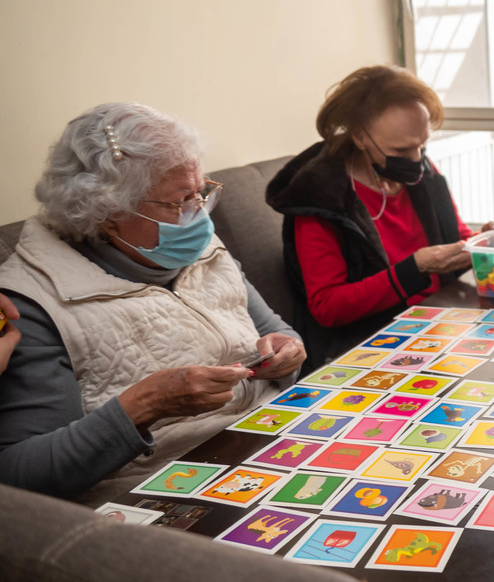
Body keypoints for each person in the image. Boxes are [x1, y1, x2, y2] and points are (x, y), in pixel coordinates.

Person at [0, 103, 306, 504]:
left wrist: (288, 352)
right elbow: (21, 477)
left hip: (269, 437)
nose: (200, 216)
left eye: (201, 193)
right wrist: (144, 406)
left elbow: (277, 333)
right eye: (180, 202)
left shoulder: (198, 247)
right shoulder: (33, 303)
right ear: (109, 211)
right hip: (169, 492)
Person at [267, 65, 492, 368]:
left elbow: (457, 237)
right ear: (360, 137)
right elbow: (327, 307)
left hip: (443, 320)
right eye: (401, 150)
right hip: (376, 341)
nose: (417, 159)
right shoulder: (321, 197)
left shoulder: (419, 170)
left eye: (422, 145)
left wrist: (483, 244)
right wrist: (415, 269)